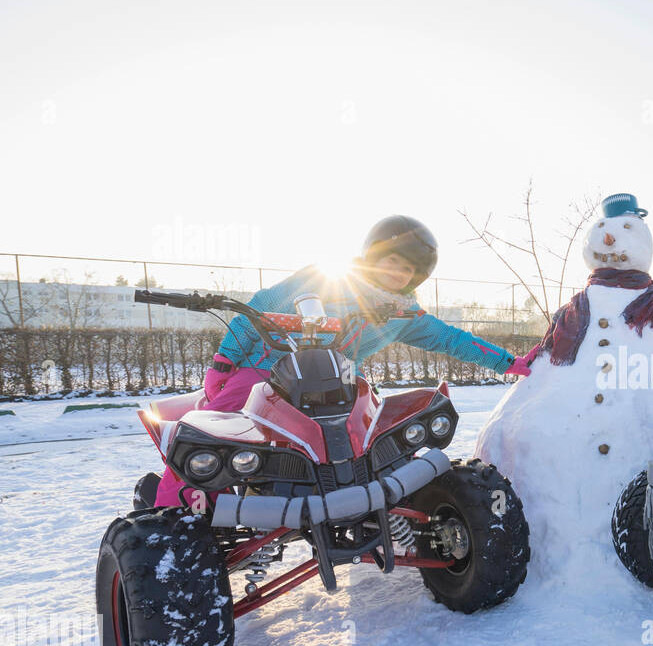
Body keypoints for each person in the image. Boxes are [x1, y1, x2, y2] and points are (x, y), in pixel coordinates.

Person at [154, 215, 533, 508]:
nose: (398, 274)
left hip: (336, 382)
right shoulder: (323, 279)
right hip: (264, 371)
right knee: (207, 438)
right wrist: (224, 363)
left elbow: (452, 339)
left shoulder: (403, 315)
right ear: (373, 256)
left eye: (409, 270)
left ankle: (382, 503)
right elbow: (258, 309)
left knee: (372, 434)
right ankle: (174, 512)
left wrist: (508, 363)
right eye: (393, 261)